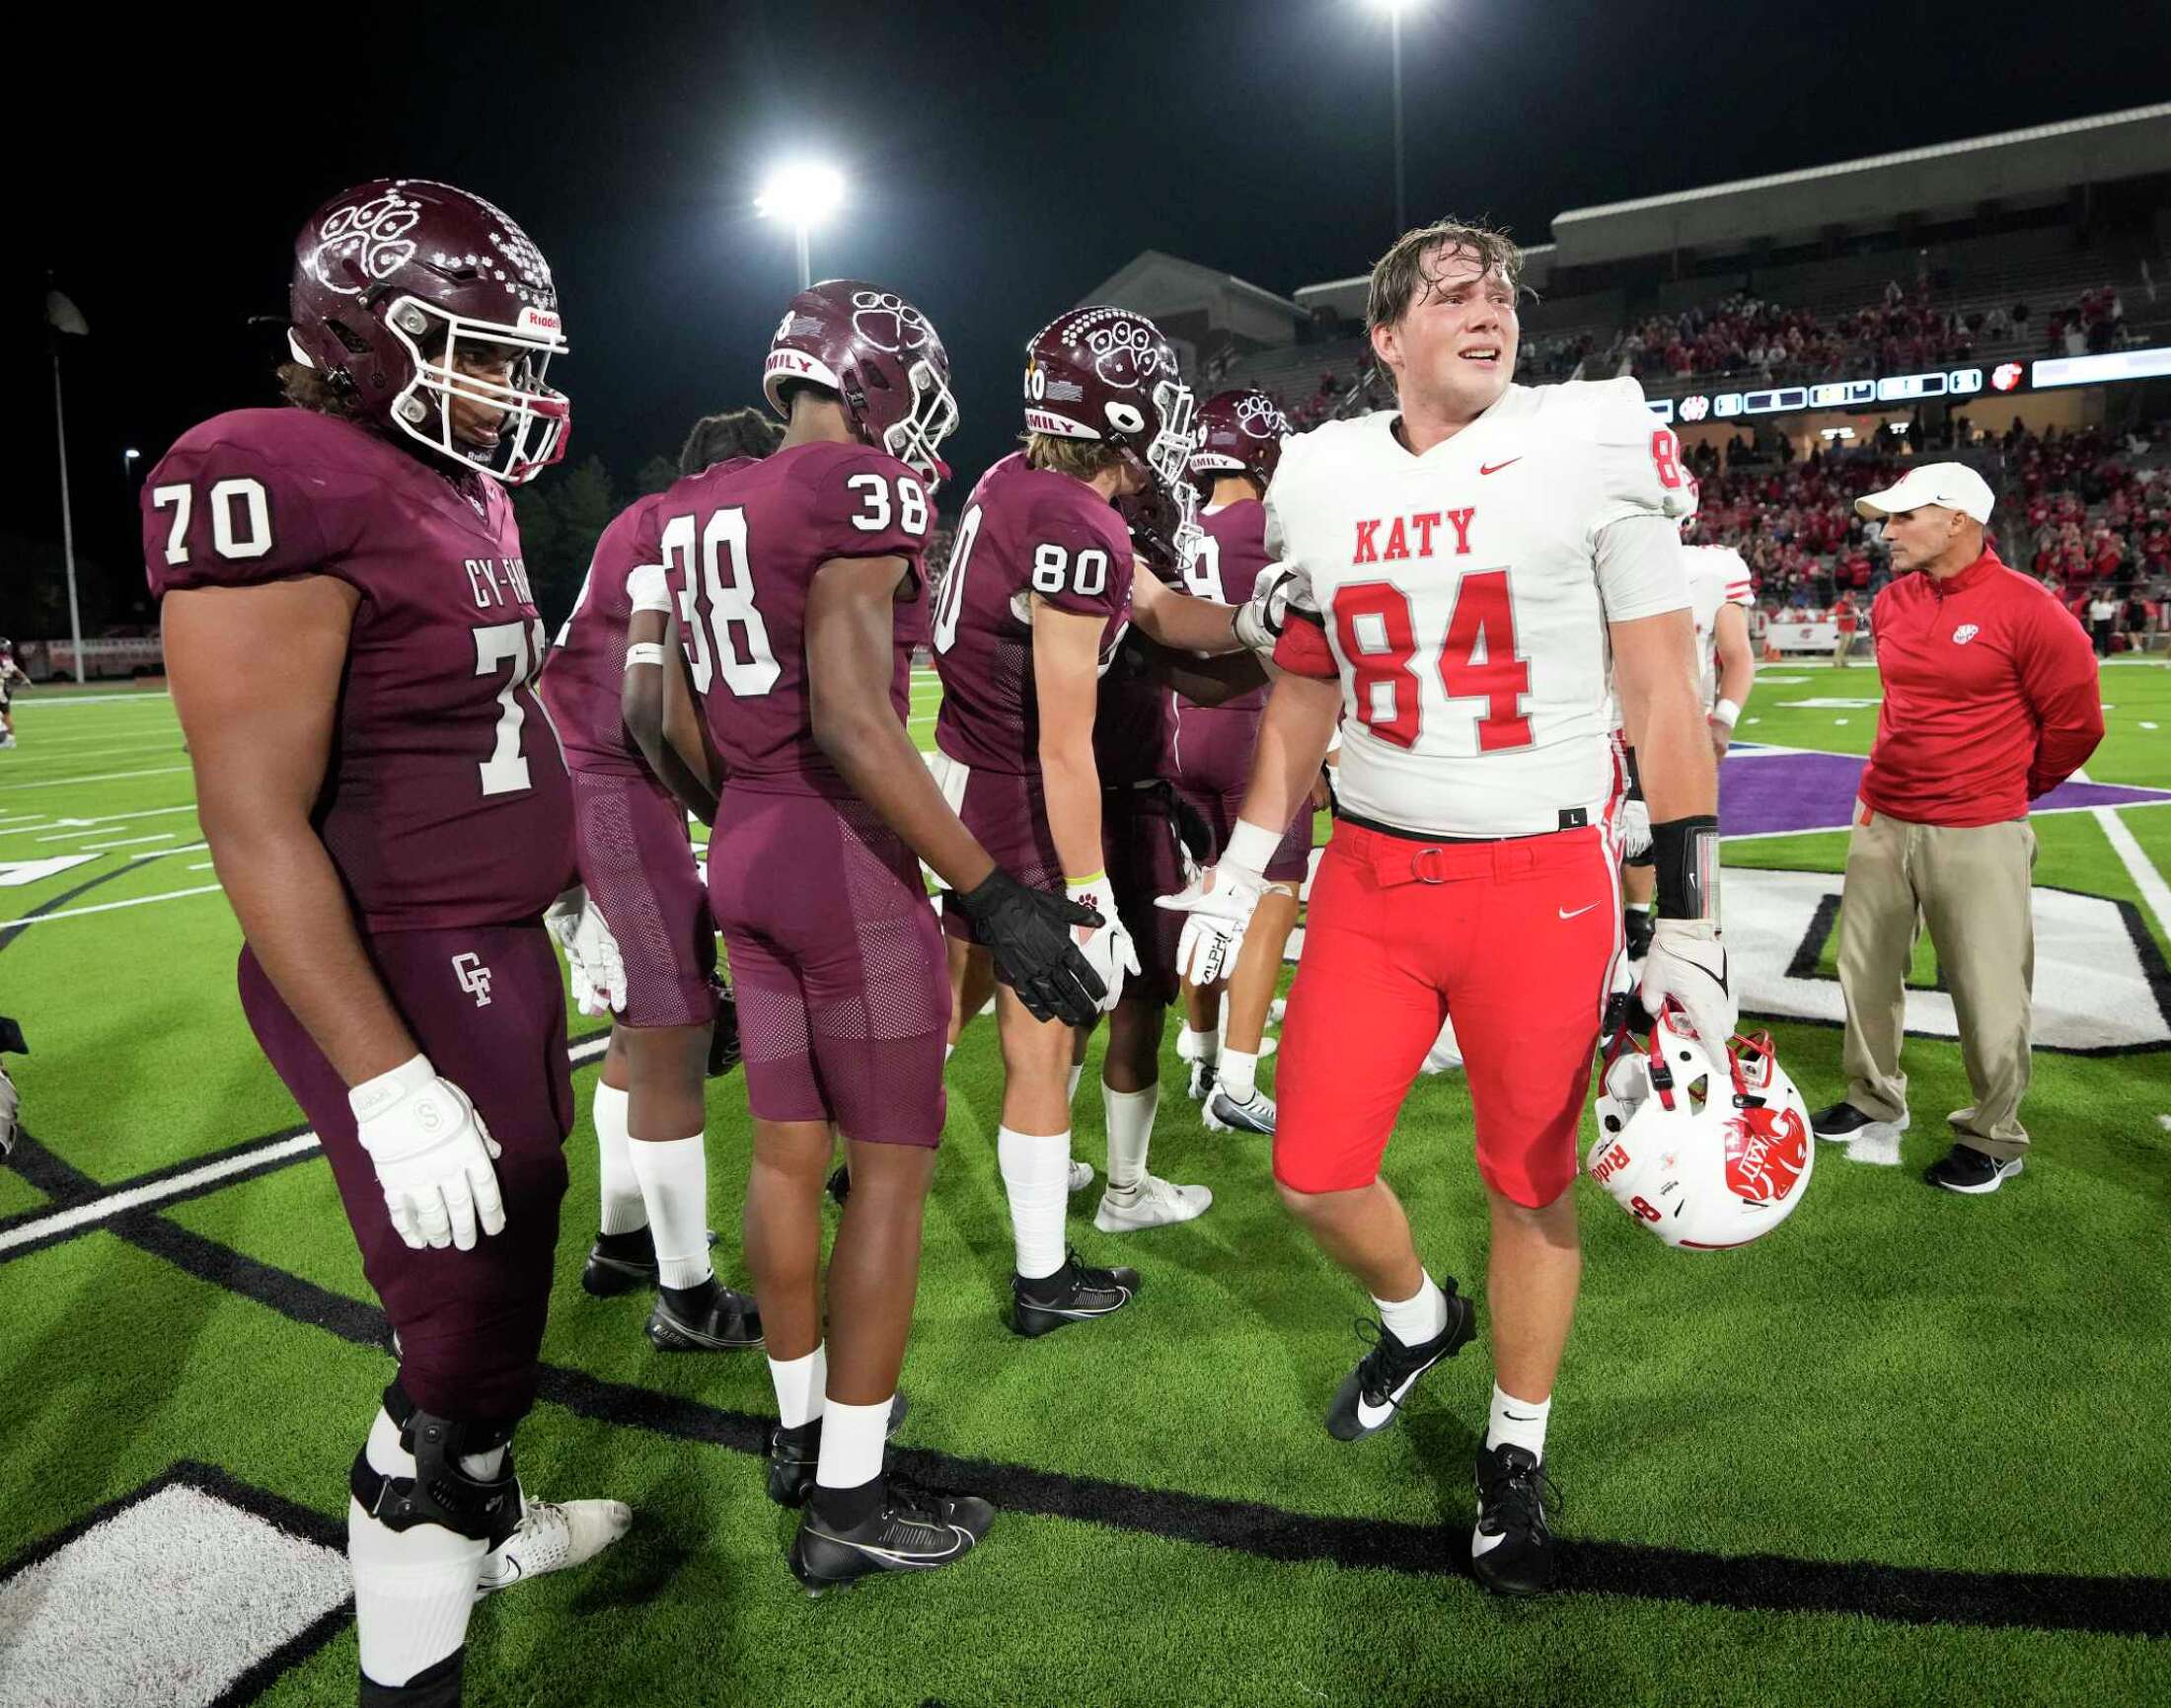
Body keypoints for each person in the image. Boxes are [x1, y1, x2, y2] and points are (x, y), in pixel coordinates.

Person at [1160, 219, 1722, 1597]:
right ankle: (1420, 1317)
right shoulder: (1319, 469)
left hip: (1540, 877)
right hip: (1371, 869)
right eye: (1454, 293)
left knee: (1530, 1186)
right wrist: (1242, 866)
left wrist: (1692, 917)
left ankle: (1515, 1449)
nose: (1490, 310)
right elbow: (1303, 689)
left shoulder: (1593, 431)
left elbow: (1661, 685)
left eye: (1502, 293)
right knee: (1308, 1166)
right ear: (1386, 334)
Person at [147, 179, 628, 1707]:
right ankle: (413, 1645)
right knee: (467, 1321)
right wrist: (384, 1077)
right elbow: (255, 819)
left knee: (519, 1243)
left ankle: (476, 1504)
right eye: (477, 353)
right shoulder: (270, 472)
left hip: (491, 933)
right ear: (357, 336)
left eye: (519, 358)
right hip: (398, 954)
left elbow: (478, 723)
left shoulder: (454, 485)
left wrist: (567, 887)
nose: (513, 390)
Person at [638, 279, 1104, 1588]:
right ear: (876, 377)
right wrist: (990, 892)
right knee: (889, 1171)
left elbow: (659, 710)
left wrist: (742, 819)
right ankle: (850, 1493)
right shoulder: (856, 489)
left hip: (744, 845)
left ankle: (798, 1431)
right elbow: (854, 716)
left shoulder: (699, 502)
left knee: (788, 1157)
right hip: (841, 856)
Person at [930, 305, 1280, 1333]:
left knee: (970, 1018)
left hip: (980, 781)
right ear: (1121, 411)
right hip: (1026, 799)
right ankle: (1043, 1279)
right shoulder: (1070, 517)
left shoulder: (1018, 482)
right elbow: (1062, 741)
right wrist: (1087, 895)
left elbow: (1166, 613)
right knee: (1043, 1041)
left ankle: (878, 1166)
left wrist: (1256, 620)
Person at [538, 408, 780, 1355]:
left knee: (639, 1030)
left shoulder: (642, 519)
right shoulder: (686, 523)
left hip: (579, 770)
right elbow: (650, 706)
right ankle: (686, 1293)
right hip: (611, 779)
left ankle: (624, 1240)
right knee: (676, 1023)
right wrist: (732, 805)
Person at [1810, 463, 2103, 1192]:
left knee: (1988, 988)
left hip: (1978, 827)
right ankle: (1873, 1094)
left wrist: (2004, 788)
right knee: (1865, 970)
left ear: (1958, 520)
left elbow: (2077, 724)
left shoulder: (2030, 609)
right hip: (1883, 813)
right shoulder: (1891, 603)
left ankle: (1993, 1133)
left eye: (1904, 518)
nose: (1886, 533)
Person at [1171, 389, 1314, 1134]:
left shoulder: (1183, 525)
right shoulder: (1269, 521)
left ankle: (1195, 1050)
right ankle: (1236, 1078)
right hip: (1252, 730)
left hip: (1180, 726)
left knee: (1207, 894)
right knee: (1268, 899)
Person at [0, 639, 27, 748]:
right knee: (6, 715)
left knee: (5, 715)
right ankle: (10, 740)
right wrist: (25, 679)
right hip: (6, 687)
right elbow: (15, 670)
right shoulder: (8, 658)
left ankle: (5, 737)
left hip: (1, 687)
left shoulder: (2, 659)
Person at [2087, 586, 2119, 657]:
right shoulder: (2096, 603)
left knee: (2107, 639)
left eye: (2109, 594)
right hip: (2098, 622)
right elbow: (2091, 614)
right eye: (2106, 594)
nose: (2108, 596)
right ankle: (2093, 653)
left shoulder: (2110, 603)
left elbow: (2112, 614)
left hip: (2107, 622)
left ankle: (2107, 654)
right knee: (2096, 639)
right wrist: (2091, 625)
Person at [1833, 591, 1860, 666]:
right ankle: (1837, 661)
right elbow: (1839, 616)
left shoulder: (1851, 604)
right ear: (1846, 596)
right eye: (1851, 597)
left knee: (1850, 644)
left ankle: (1844, 660)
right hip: (1844, 628)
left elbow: (1856, 614)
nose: (1852, 599)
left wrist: (1857, 619)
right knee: (1843, 645)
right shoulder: (1840, 604)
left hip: (1852, 628)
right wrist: (1851, 616)